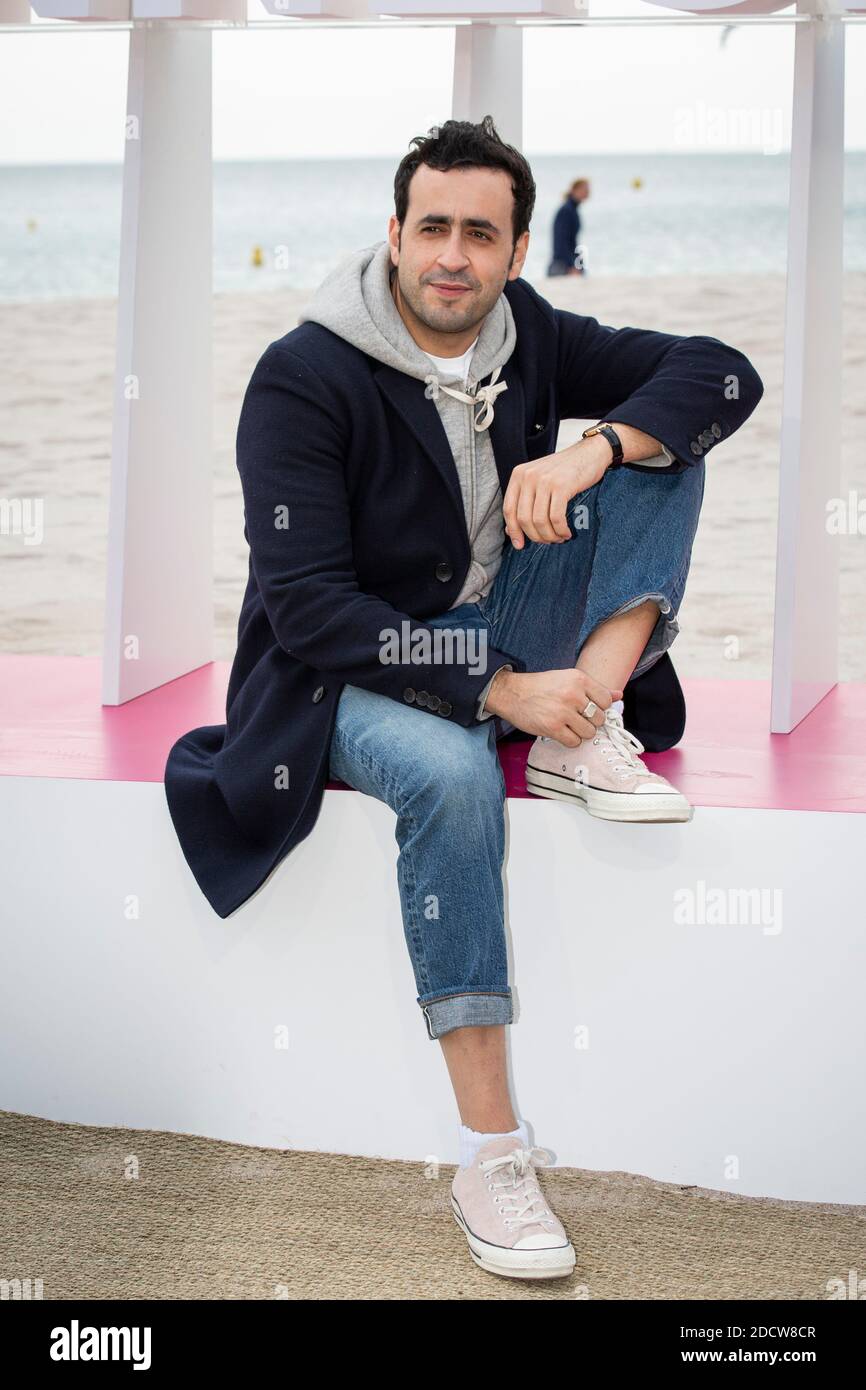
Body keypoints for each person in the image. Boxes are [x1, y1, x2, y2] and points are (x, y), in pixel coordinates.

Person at [163, 116, 763, 1282]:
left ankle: (582, 726)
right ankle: (490, 1154)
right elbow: (309, 609)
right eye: (430, 226)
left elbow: (721, 371)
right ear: (392, 233)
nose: (452, 255)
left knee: (659, 447)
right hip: (344, 673)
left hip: (507, 636)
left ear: (515, 249)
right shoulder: (303, 375)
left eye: (479, 235)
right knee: (447, 774)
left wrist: (591, 449)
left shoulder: (525, 329)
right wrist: (496, 686)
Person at [548, 177, 589, 277]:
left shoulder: (572, 209)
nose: (587, 192)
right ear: (575, 190)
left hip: (568, 261)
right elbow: (561, 240)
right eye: (585, 189)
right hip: (562, 265)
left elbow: (571, 242)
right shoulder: (566, 210)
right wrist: (571, 265)